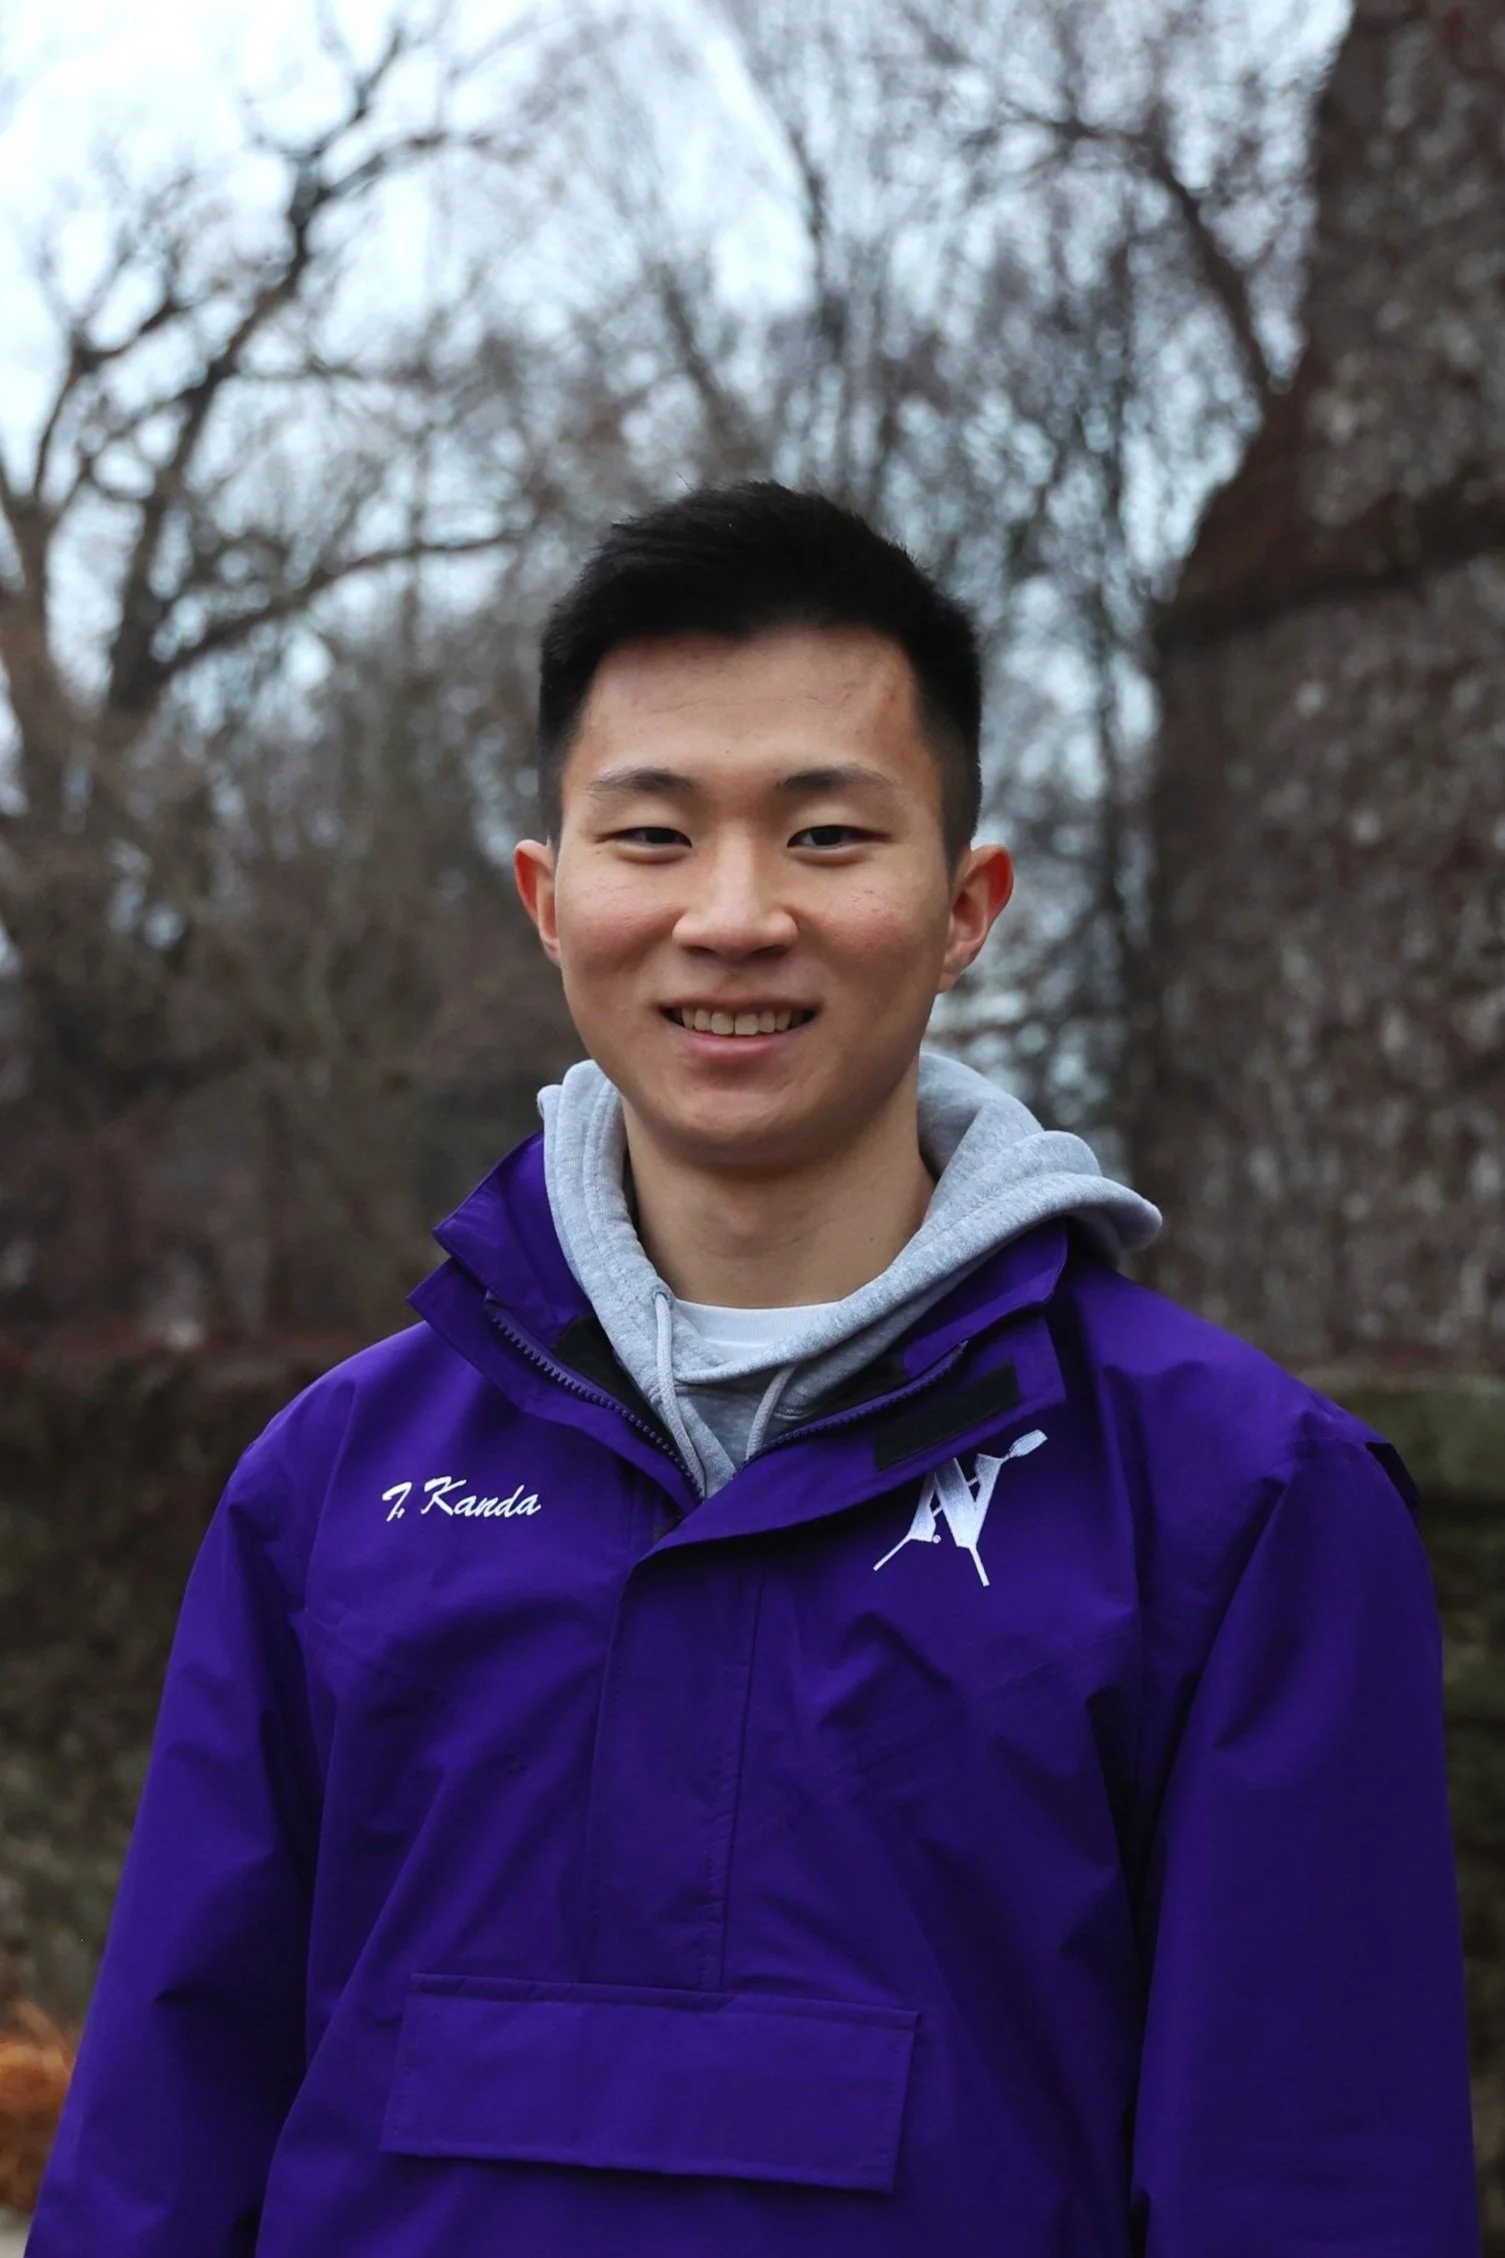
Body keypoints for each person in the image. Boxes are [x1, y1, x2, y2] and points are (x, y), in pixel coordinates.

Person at [29, 483, 1479, 2256]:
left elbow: (1310, 2186)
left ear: (967, 905)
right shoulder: (329, 1489)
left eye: (824, 836)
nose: (731, 915)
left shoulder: (1244, 1506)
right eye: (652, 836)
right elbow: (160, 2153)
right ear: (548, 901)